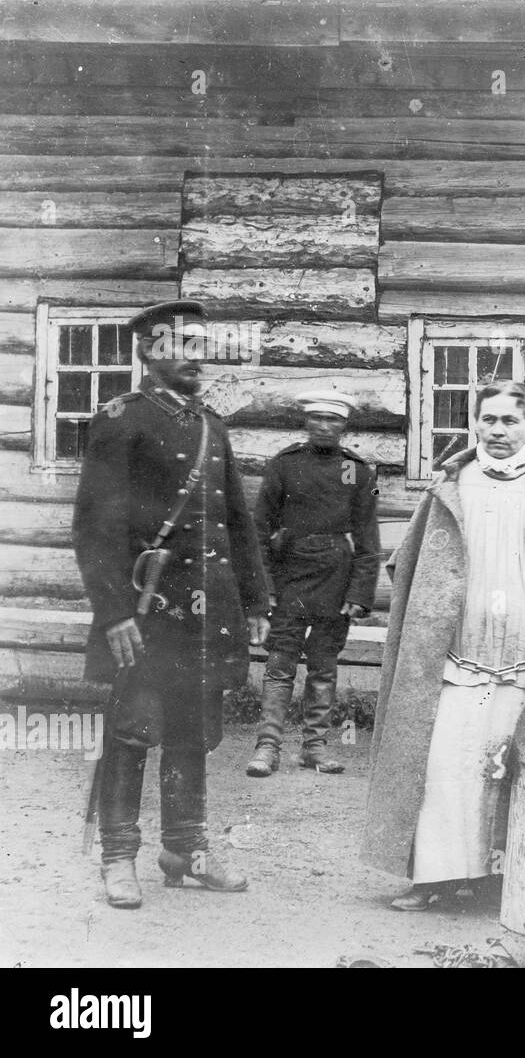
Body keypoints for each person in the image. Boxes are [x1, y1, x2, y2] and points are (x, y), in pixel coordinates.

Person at [359, 381, 525, 909]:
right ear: (475, 423)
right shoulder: (448, 489)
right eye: (488, 420)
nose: (497, 431)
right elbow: (408, 564)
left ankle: (499, 880)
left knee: (506, 769)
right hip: (455, 661)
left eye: (510, 421)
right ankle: (435, 879)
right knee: (445, 766)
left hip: (524, 663)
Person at [72, 300, 270, 909]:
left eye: (201, 345)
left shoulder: (214, 424)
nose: (197, 356)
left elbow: (237, 521)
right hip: (144, 613)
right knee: (132, 731)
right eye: (181, 345)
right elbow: (95, 528)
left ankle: (184, 851)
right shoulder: (120, 421)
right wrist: (115, 614)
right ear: (148, 354)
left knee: (193, 733)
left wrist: (256, 597)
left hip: (206, 616)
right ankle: (117, 856)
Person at [246, 390, 380, 777]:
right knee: (280, 662)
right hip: (289, 576)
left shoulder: (358, 471)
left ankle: (315, 747)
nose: (324, 426)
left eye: (333, 419)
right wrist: (265, 588)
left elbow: (369, 538)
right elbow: (259, 532)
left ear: (344, 425)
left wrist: (359, 593)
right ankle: (267, 747)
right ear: (306, 421)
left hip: (336, 579)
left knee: (323, 665)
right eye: (317, 418)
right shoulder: (283, 465)